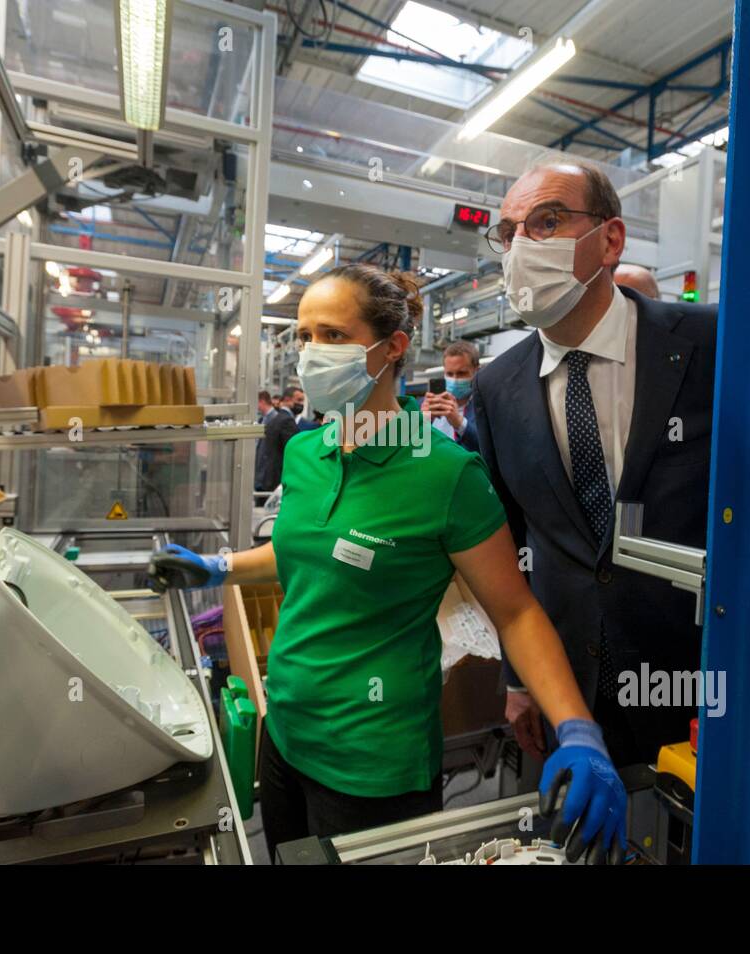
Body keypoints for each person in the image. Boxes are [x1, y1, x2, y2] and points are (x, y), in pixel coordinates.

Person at [152, 263, 626, 862]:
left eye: (332, 336)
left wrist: (577, 728)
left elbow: (515, 612)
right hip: (286, 728)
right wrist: (219, 567)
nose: (310, 353)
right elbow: (301, 548)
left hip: (373, 760)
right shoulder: (305, 451)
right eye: (303, 336)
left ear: (393, 347)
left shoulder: (444, 474)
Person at [475, 156, 717, 768]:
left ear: (610, 239)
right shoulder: (498, 385)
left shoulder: (712, 346)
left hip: (695, 679)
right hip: (564, 683)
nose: (522, 247)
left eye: (547, 222)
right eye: (509, 233)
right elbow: (509, 539)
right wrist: (517, 678)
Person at [421, 340, 480, 452]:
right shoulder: (423, 405)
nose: (455, 379)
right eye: (449, 374)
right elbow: (408, 449)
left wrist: (460, 423)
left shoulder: (486, 407)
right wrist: (422, 421)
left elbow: (489, 449)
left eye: (462, 373)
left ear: (476, 370)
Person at [254, 391, 298, 492]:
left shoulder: (277, 419)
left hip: (271, 477)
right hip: (263, 475)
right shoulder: (262, 419)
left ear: (261, 401)